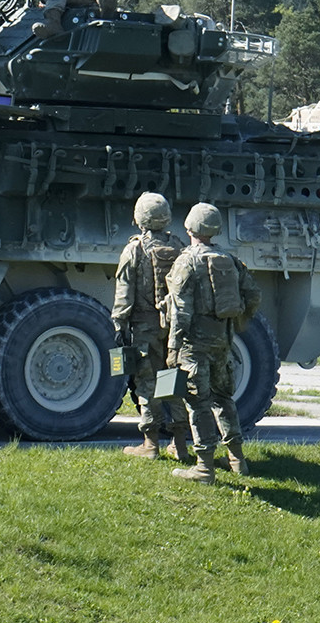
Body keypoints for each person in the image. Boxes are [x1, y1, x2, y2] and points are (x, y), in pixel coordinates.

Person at [164, 203, 262, 483]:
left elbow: (180, 311)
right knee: (224, 399)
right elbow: (253, 295)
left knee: (197, 403)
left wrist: (173, 348)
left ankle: (204, 467)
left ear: (189, 228)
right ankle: (237, 460)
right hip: (222, 341)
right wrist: (239, 322)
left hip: (194, 346)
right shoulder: (229, 260)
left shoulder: (186, 261)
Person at [110, 192, 190, 461]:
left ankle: (150, 444)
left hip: (144, 328)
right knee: (172, 382)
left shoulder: (134, 249)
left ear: (139, 218)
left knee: (146, 383)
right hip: (173, 328)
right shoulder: (179, 247)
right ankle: (179, 444)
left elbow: (124, 294)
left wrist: (119, 324)